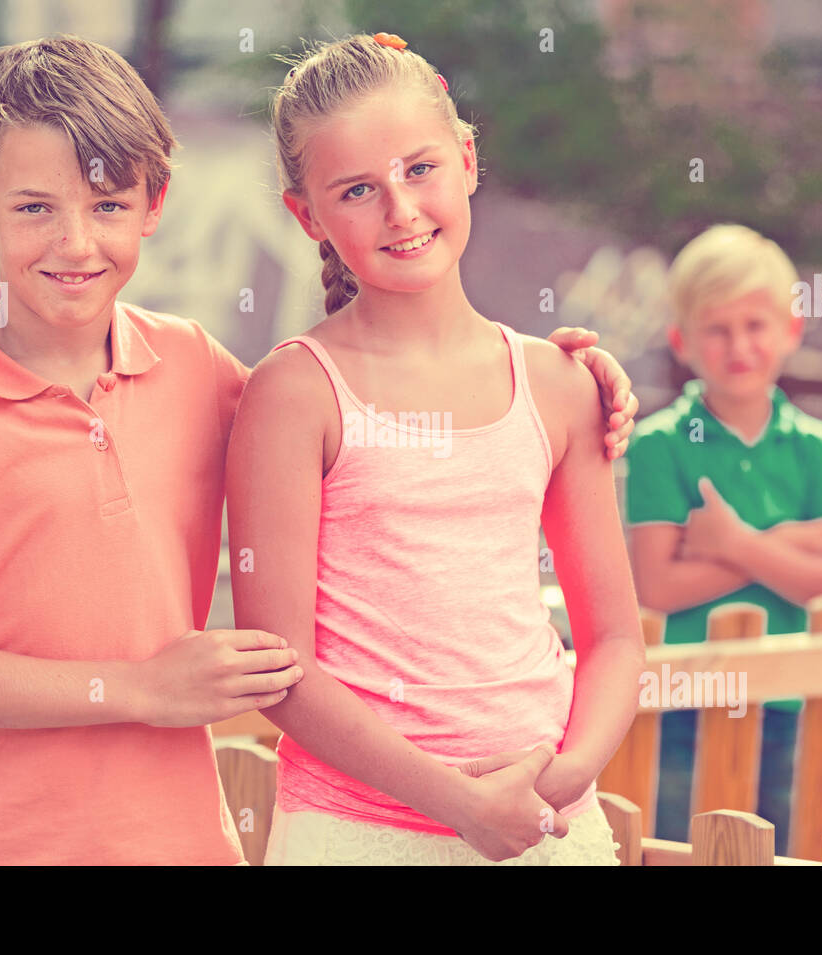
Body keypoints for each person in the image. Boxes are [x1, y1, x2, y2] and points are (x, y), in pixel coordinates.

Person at [0, 34, 640, 864]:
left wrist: (580, 381)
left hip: (185, 844)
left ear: (154, 206)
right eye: (35, 207)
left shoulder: (199, 372)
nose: (74, 243)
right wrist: (139, 688)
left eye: (107, 206)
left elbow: (373, 426)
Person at [226, 32, 646, 865]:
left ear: (466, 158)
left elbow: (615, 639)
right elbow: (280, 670)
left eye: (420, 169)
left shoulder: (558, 382)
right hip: (353, 838)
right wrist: (462, 804)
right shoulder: (293, 394)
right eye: (357, 190)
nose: (402, 210)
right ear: (306, 215)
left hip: (550, 831)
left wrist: (562, 781)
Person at [624, 223, 822, 855]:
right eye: (717, 329)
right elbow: (657, 586)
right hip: (681, 700)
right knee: (680, 850)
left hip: (786, 701)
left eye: (755, 325)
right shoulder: (659, 445)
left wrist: (732, 540)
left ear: (792, 330)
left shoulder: (818, 449)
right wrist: (785, 547)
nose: (739, 346)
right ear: (681, 341)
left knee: (781, 852)